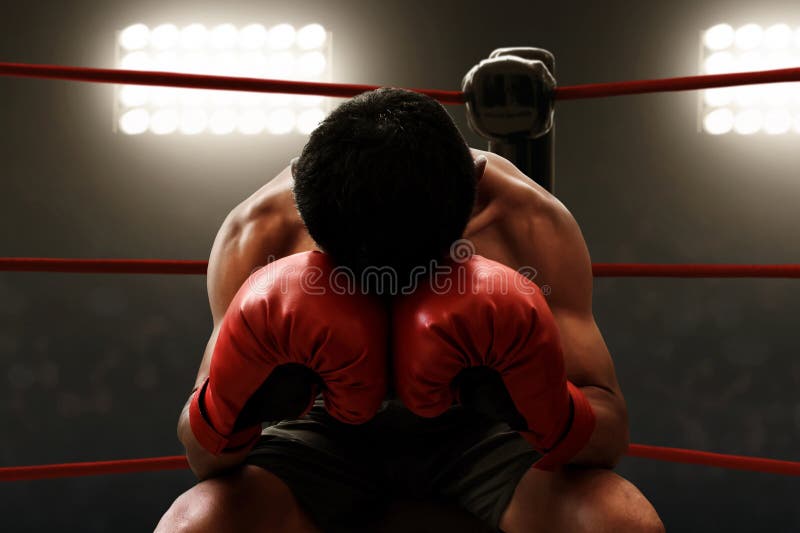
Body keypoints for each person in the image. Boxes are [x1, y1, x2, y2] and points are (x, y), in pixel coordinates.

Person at [155, 88, 665, 532]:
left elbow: (609, 435)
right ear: (305, 211)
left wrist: (533, 403)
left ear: (472, 191)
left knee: (623, 522)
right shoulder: (260, 229)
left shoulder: (526, 221)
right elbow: (202, 456)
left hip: (481, 436)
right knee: (191, 525)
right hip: (322, 436)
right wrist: (243, 405)